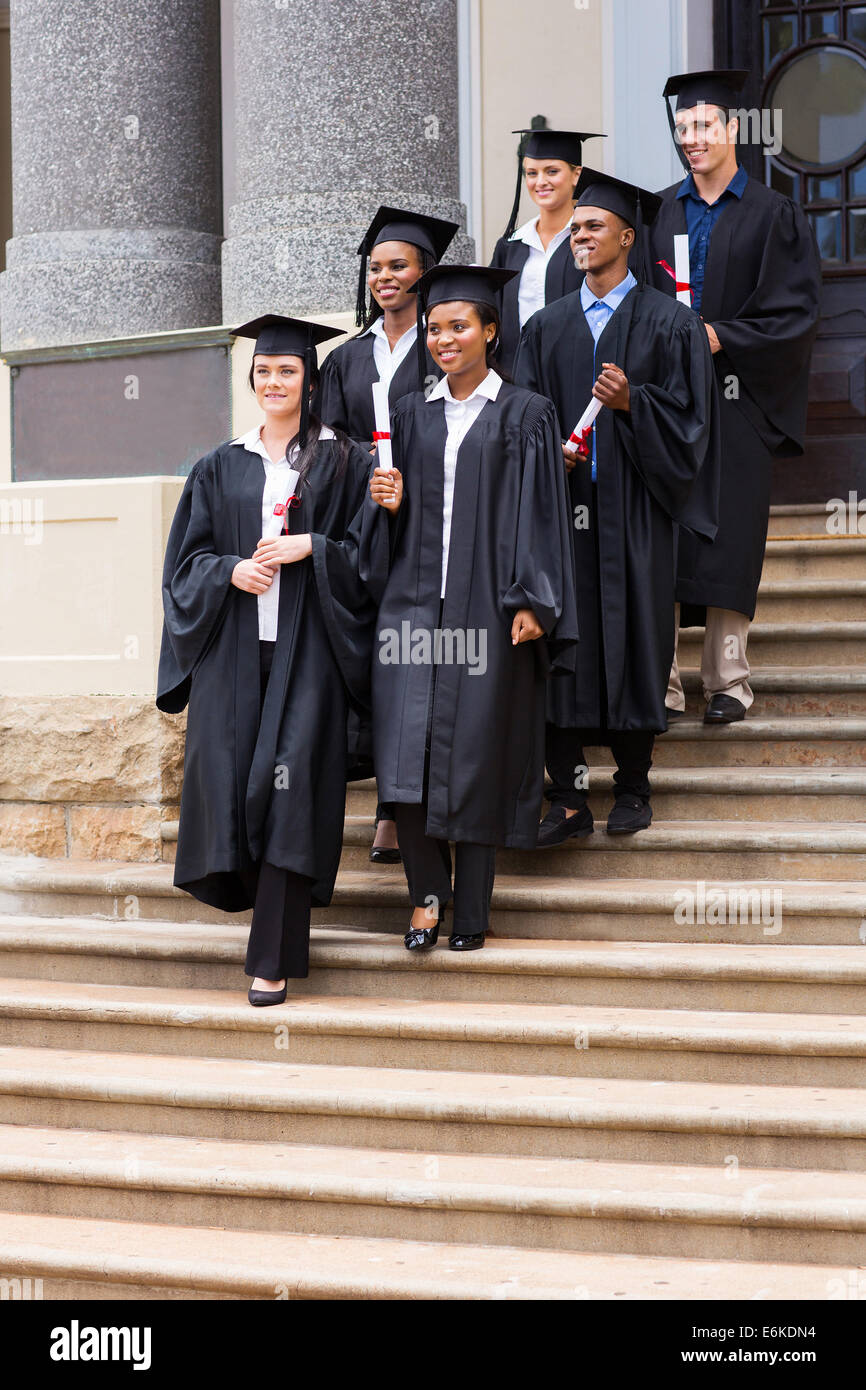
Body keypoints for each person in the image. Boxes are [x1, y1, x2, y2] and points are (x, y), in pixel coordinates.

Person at [157, 315, 377, 1006]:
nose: (275, 381)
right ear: (252, 381)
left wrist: (314, 547)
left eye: (288, 371)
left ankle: (272, 958)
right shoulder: (220, 464)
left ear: (310, 380)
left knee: (293, 791)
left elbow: (372, 560)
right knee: (233, 784)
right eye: (264, 372)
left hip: (309, 652)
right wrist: (228, 572)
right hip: (235, 656)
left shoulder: (346, 459)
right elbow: (181, 568)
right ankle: (265, 914)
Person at [360, 264, 577, 951]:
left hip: (489, 608)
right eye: (434, 329)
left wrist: (535, 599)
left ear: (490, 330)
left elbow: (542, 514)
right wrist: (382, 504)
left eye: (459, 326)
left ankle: (473, 910)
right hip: (413, 609)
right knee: (409, 752)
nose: (444, 339)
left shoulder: (527, 413)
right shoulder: (408, 415)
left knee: (479, 752)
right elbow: (383, 529)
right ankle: (427, 899)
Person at [514, 168, 719, 842]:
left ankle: (633, 787)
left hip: (635, 509)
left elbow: (695, 426)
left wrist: (636, 404)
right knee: (562, 648)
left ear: (627, 236)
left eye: (593, 225)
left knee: (636, 638)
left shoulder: (671, 324)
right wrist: (552, 455)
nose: (580, 236)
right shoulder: (545, 330)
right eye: (574, 227)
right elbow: (523, 422)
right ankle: (568, 797)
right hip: (565, 512)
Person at [648, 69, 821, 724]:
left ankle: (726, 682)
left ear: (734, 130)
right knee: (661, 536)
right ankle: (660, 685)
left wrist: (723, 337)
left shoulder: (774, 214)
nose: (692, 139)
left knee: (732, 538)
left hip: (738, 401)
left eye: (703, 126)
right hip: (668, 404)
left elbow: (795, 313)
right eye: (683, 128)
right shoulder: (659, 213)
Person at [315, 205, 458, 862]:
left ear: (425, 273)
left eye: (397, 265)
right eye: (375, 268)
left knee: (423, 667)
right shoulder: (347, 359)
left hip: (433, 528)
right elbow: (325, 446)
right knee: (375, 665)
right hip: (364, 531)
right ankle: (387, 806)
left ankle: (417, 806)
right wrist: (363, 467)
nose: (384, 278)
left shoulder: (444, 349)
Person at [490, 125, 604, 373]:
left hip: (578, 371)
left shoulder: (592, 240)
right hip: (516, 374)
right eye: (531, 173)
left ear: (576, 174)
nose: (540, 182)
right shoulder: (510, 246)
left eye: (552, 171)